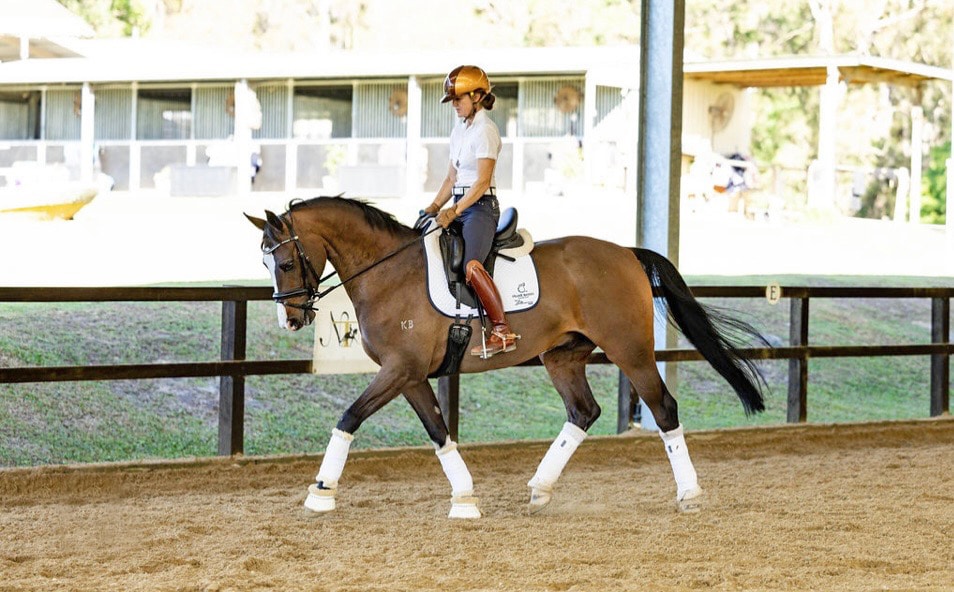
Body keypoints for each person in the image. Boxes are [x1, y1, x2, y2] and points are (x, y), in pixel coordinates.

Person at [422, 65, 519, 358]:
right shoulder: (459, 130)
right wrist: (433, 207)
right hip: (459, 205)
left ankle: (502, 331)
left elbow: (481, 182)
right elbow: (451, 179)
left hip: (479, 208)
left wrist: (454, 210)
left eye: (459, 98)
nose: (454, 104)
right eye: (451, 99)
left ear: (478, 96)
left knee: (471, 265)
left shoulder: (486, 131)